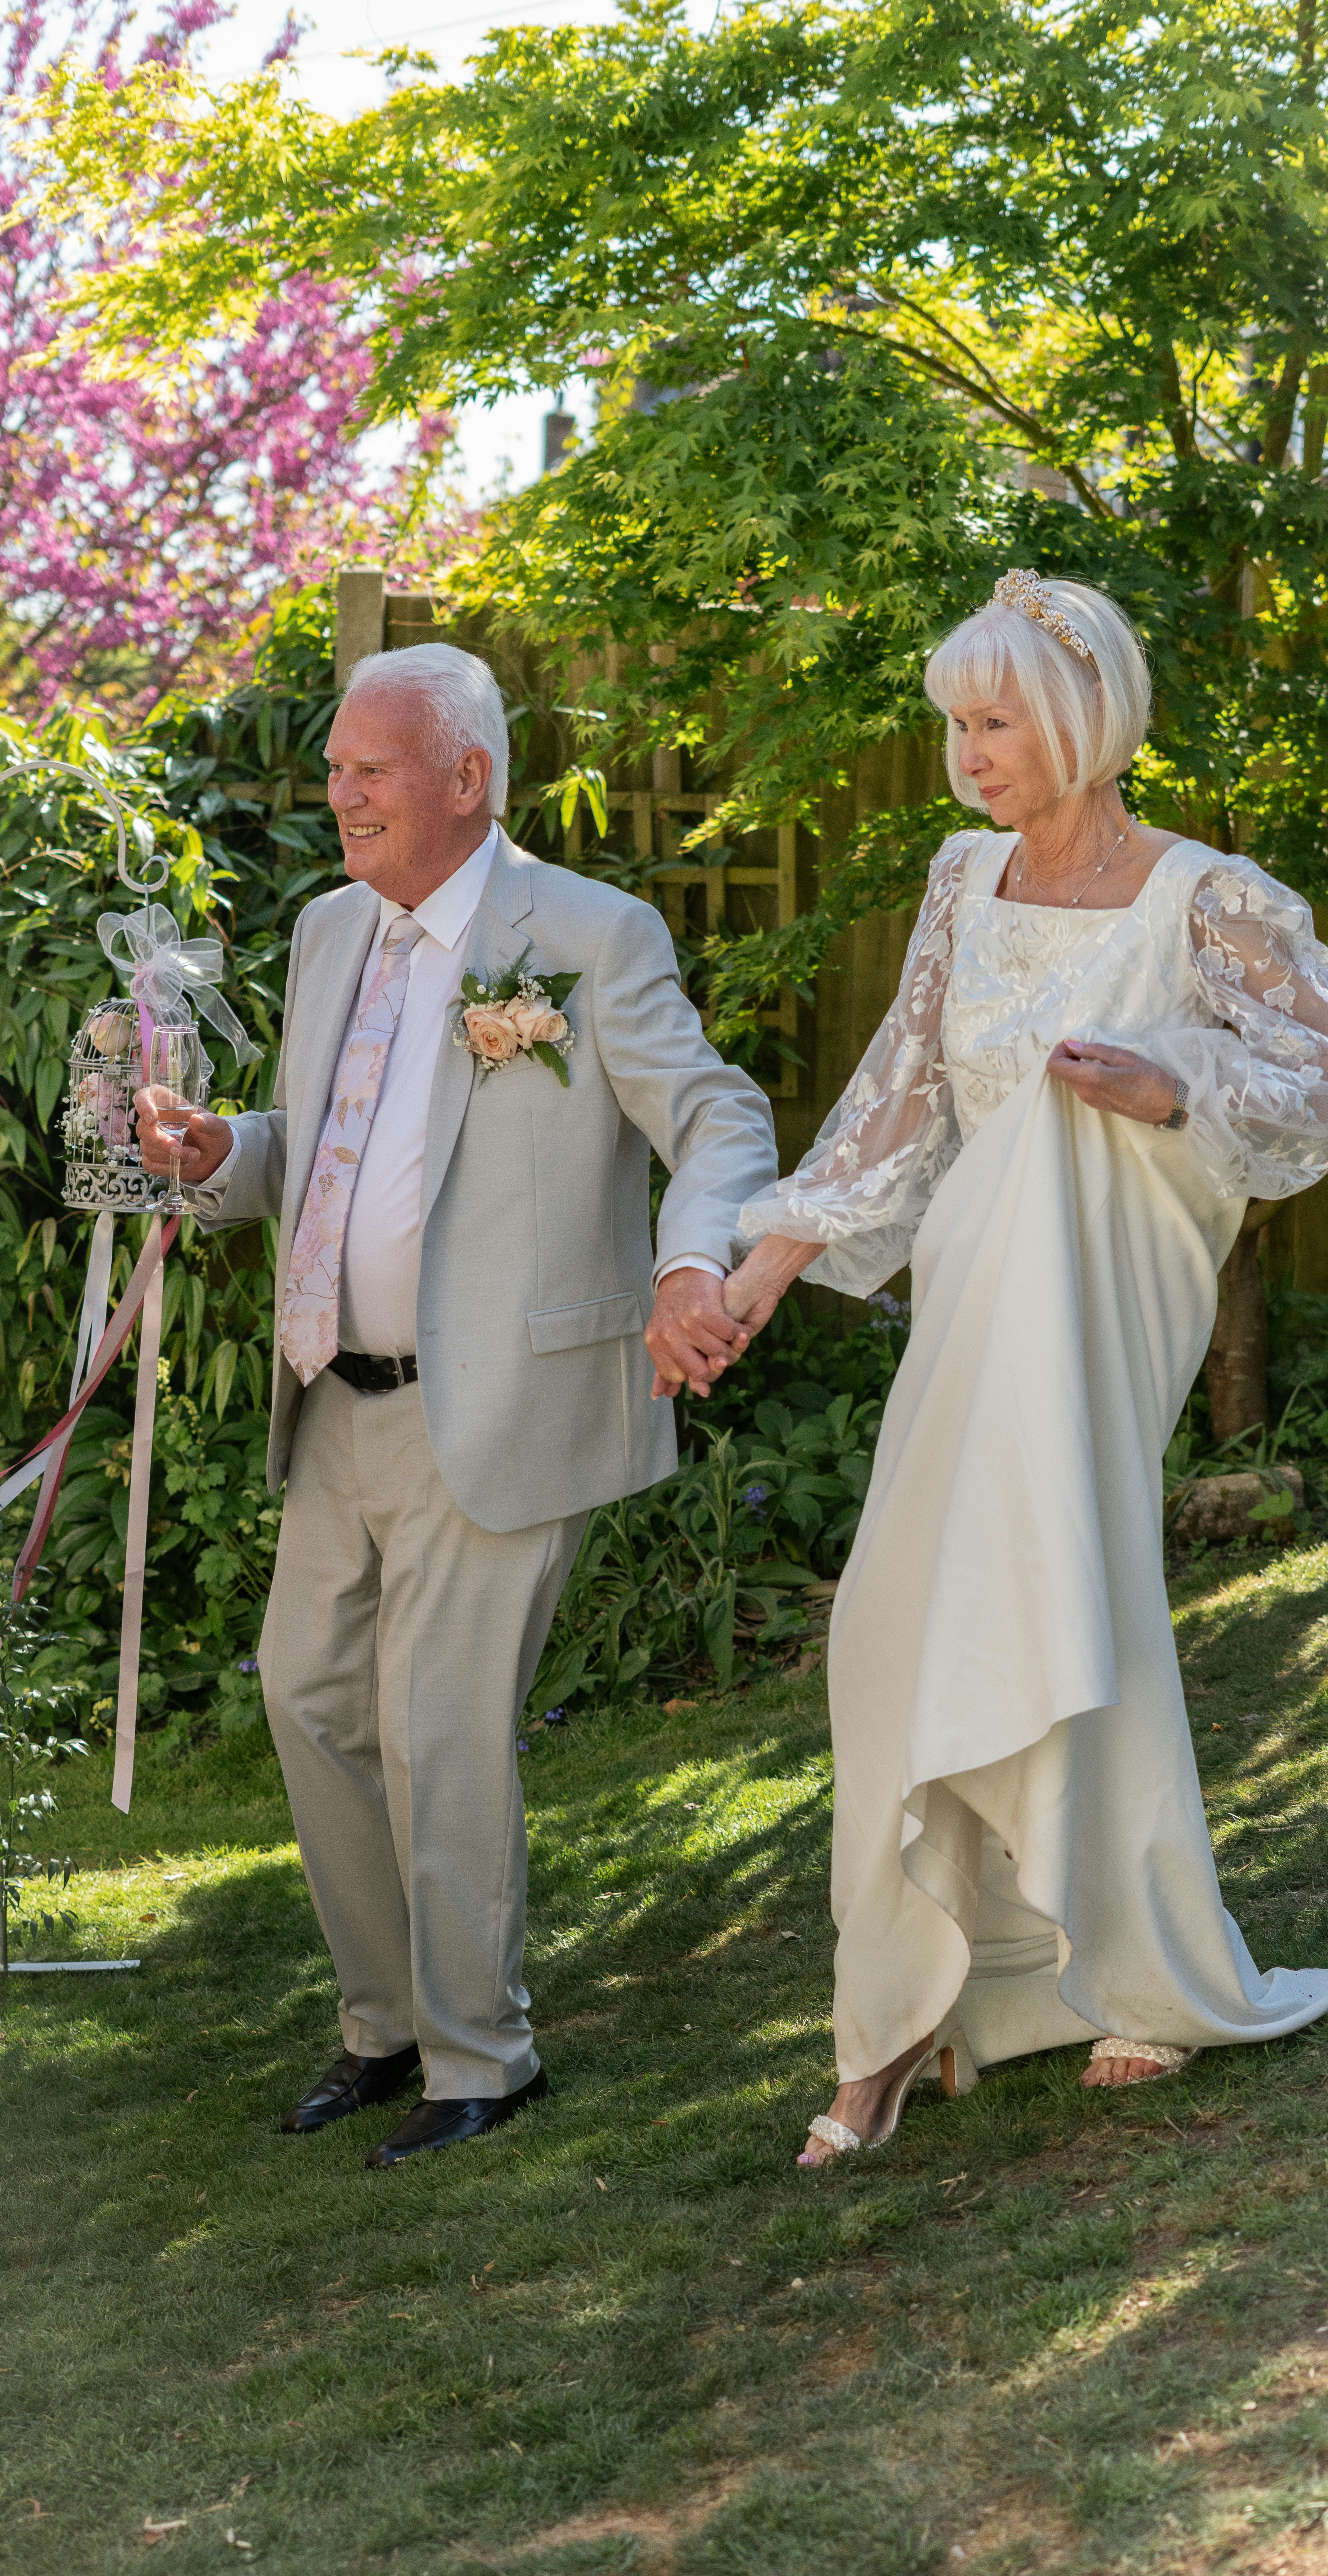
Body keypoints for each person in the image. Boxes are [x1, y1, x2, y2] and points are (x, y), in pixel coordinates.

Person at [722, 568, 1328, 2167]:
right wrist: (757, 1267)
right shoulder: (961, 884)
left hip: (1104, 1303)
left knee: (1059, 1593)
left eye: (995, 719)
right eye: (954, 723)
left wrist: (1167, 1080)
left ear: (1083, 719)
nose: (968, 751)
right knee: (892, 1624)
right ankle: (923, 2000)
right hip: (968, 1306)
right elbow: (894, 1106)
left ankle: (1135, 1979)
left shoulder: (1205, 894)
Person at [134, 642, 776, 2168]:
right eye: (340, 766)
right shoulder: (329, 929)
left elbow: (717, 1113)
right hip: (336, 1406)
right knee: (306, 1700)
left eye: (369, 768)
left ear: (467, 780)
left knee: (438, 1730)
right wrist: (225, 1148)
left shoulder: (589, 935)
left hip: (500, 1403)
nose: (341, 790)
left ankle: (484, 2054)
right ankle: (386, 2027)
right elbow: (332, 1149)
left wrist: (697, 1261)